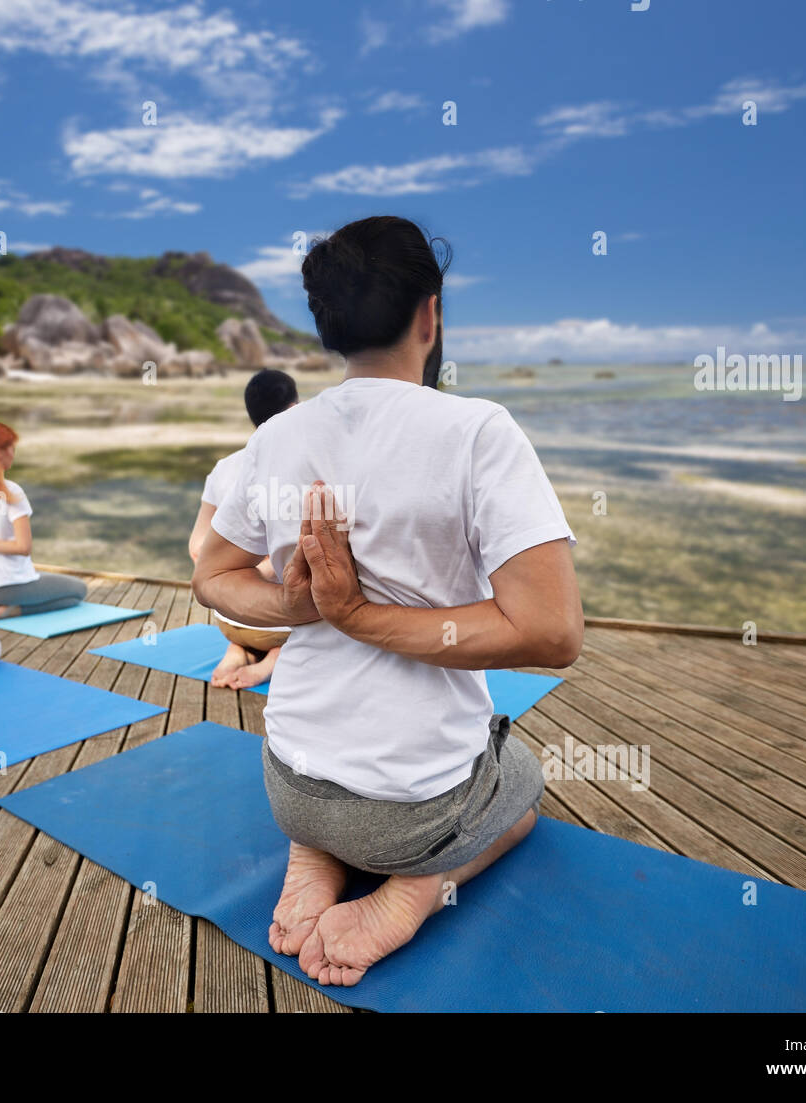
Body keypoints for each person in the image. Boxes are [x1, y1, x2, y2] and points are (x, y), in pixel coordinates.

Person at [192, 216, 583, 986]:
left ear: (329, 326)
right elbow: (553, 632)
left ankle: (317, 851)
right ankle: (410, 891)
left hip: (287, 782)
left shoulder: (278, 437)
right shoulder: (478, 430)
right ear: (429, 314)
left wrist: (298, 606)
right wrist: (345, 612)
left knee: (335, 799)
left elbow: (212, 576)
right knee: (528, 787)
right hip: (414, 814)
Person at [188, 369, 298, 689]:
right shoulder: (298, 466)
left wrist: (230, 576)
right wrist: (258, 574)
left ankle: (238, 646)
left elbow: (197, 545)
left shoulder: (225, 467)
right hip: (278, 622)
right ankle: (276, 657)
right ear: (294, 409)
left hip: (228, 617)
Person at [0, 422, 89, 623]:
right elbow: (23, 548)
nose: (14, 453)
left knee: (43, 577)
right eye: (12, 448)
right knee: (78, 591)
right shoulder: (12, 492)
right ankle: (5, 611)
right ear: (2, 452)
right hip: (8, 587)